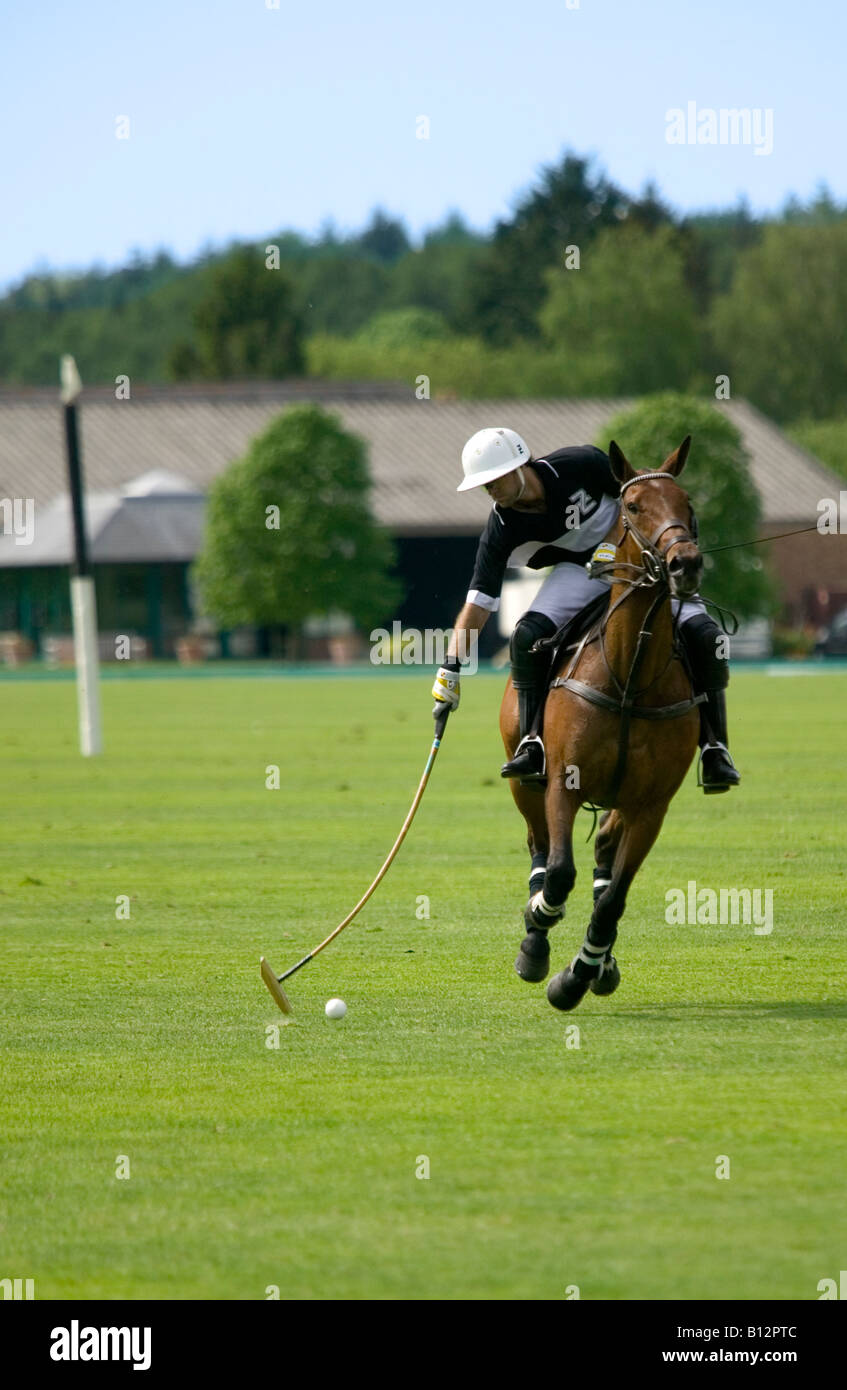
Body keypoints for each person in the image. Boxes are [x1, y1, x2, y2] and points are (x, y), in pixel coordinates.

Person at [431, 426, 740, 793]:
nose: (491, 491)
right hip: (579, 572)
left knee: (706, 636)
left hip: (638, 560)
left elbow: (645, 493)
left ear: (518, 467)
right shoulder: (502, 523)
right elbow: (479, 601)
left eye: (494, 481)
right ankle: (532, 742)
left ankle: (715, 746)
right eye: (485, 486)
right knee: (527, 635)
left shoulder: (580, 464)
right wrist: (451, 666)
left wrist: (617, 545)